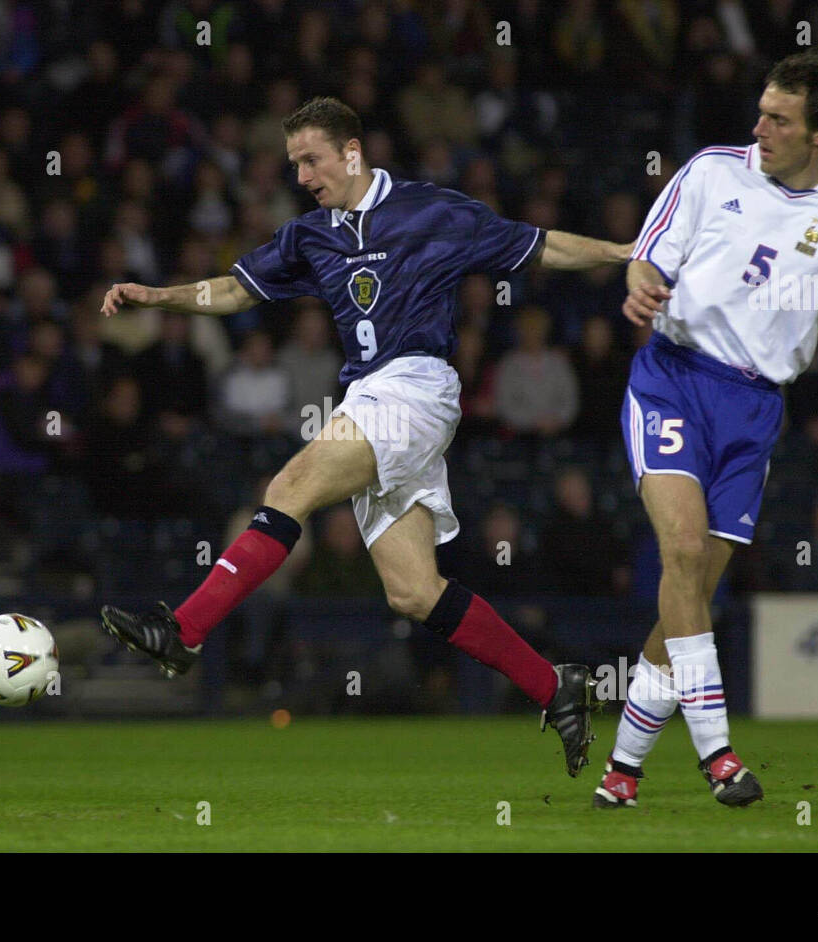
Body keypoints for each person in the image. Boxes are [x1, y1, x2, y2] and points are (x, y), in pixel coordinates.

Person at [99, 96, 632, 779]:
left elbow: (537, 244)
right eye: (293, 164)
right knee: (412, 592)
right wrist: (159, 296)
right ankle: (554, 686)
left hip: (415, 390)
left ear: (352, 153)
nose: (302, 177)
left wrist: (619, 251)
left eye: (310, 160)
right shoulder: (309, 235)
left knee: (289, 486)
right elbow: (235, 291)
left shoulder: (432, 210)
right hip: (370, 398)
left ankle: (183, 632)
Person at [600, 52, 818, 808]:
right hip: (674, 380)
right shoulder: (709, 172)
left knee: (691, 590)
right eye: (760, 111)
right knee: (683, 552)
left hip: (756, 408)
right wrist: (639, 286)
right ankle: (719, 755)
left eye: (779, 119)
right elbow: (645, 256)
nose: (758, 128)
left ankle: (621, 772)